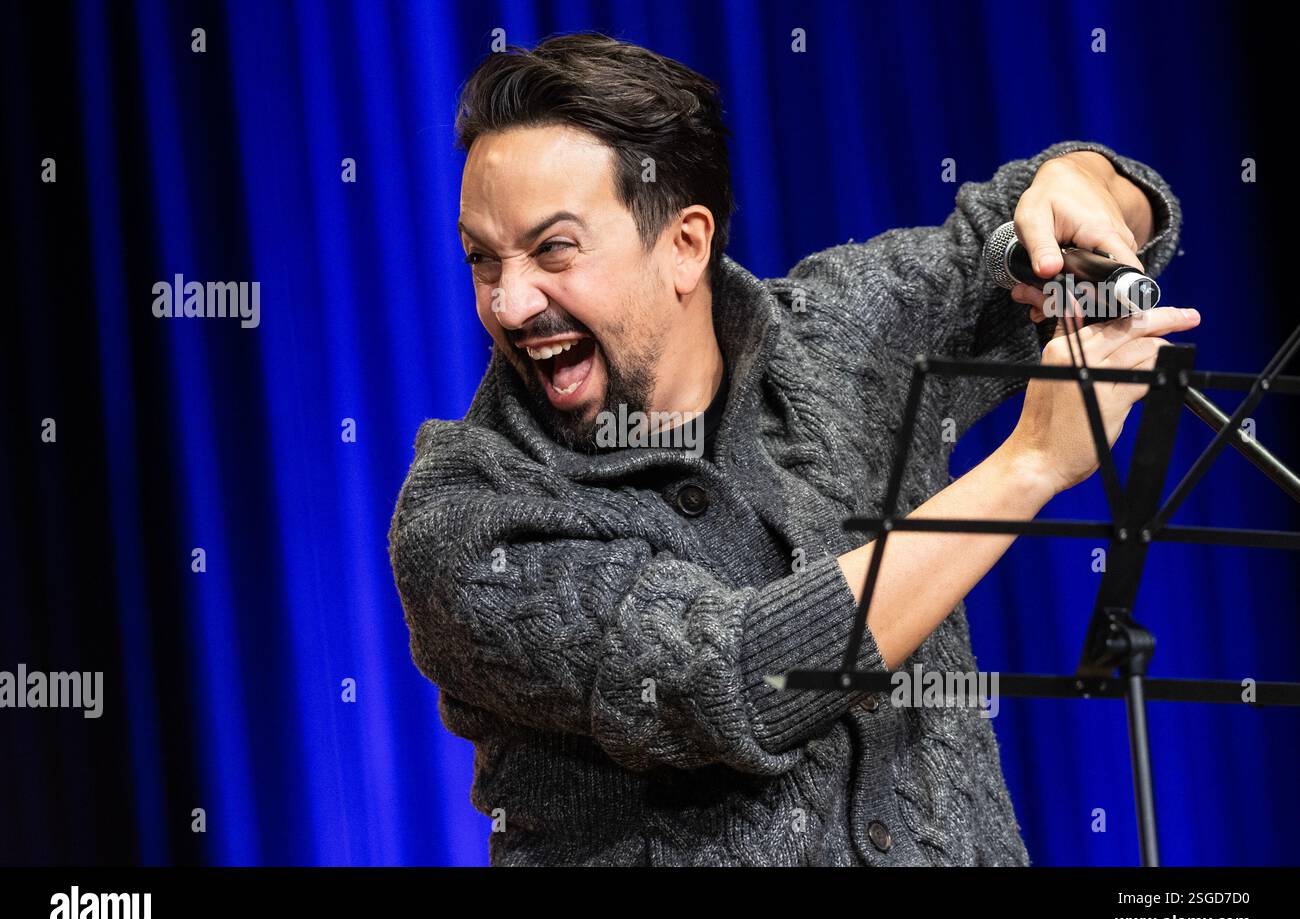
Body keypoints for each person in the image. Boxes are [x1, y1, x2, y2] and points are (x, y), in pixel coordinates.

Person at [387, 32, 1195, 865]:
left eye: (553, 249)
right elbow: (736, 680)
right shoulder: (467, 519)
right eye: (483, 257)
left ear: (687, 244)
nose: (510, 302)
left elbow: (1095, 212)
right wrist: (1027, 469)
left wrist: (1084, 179)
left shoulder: (840, 335)